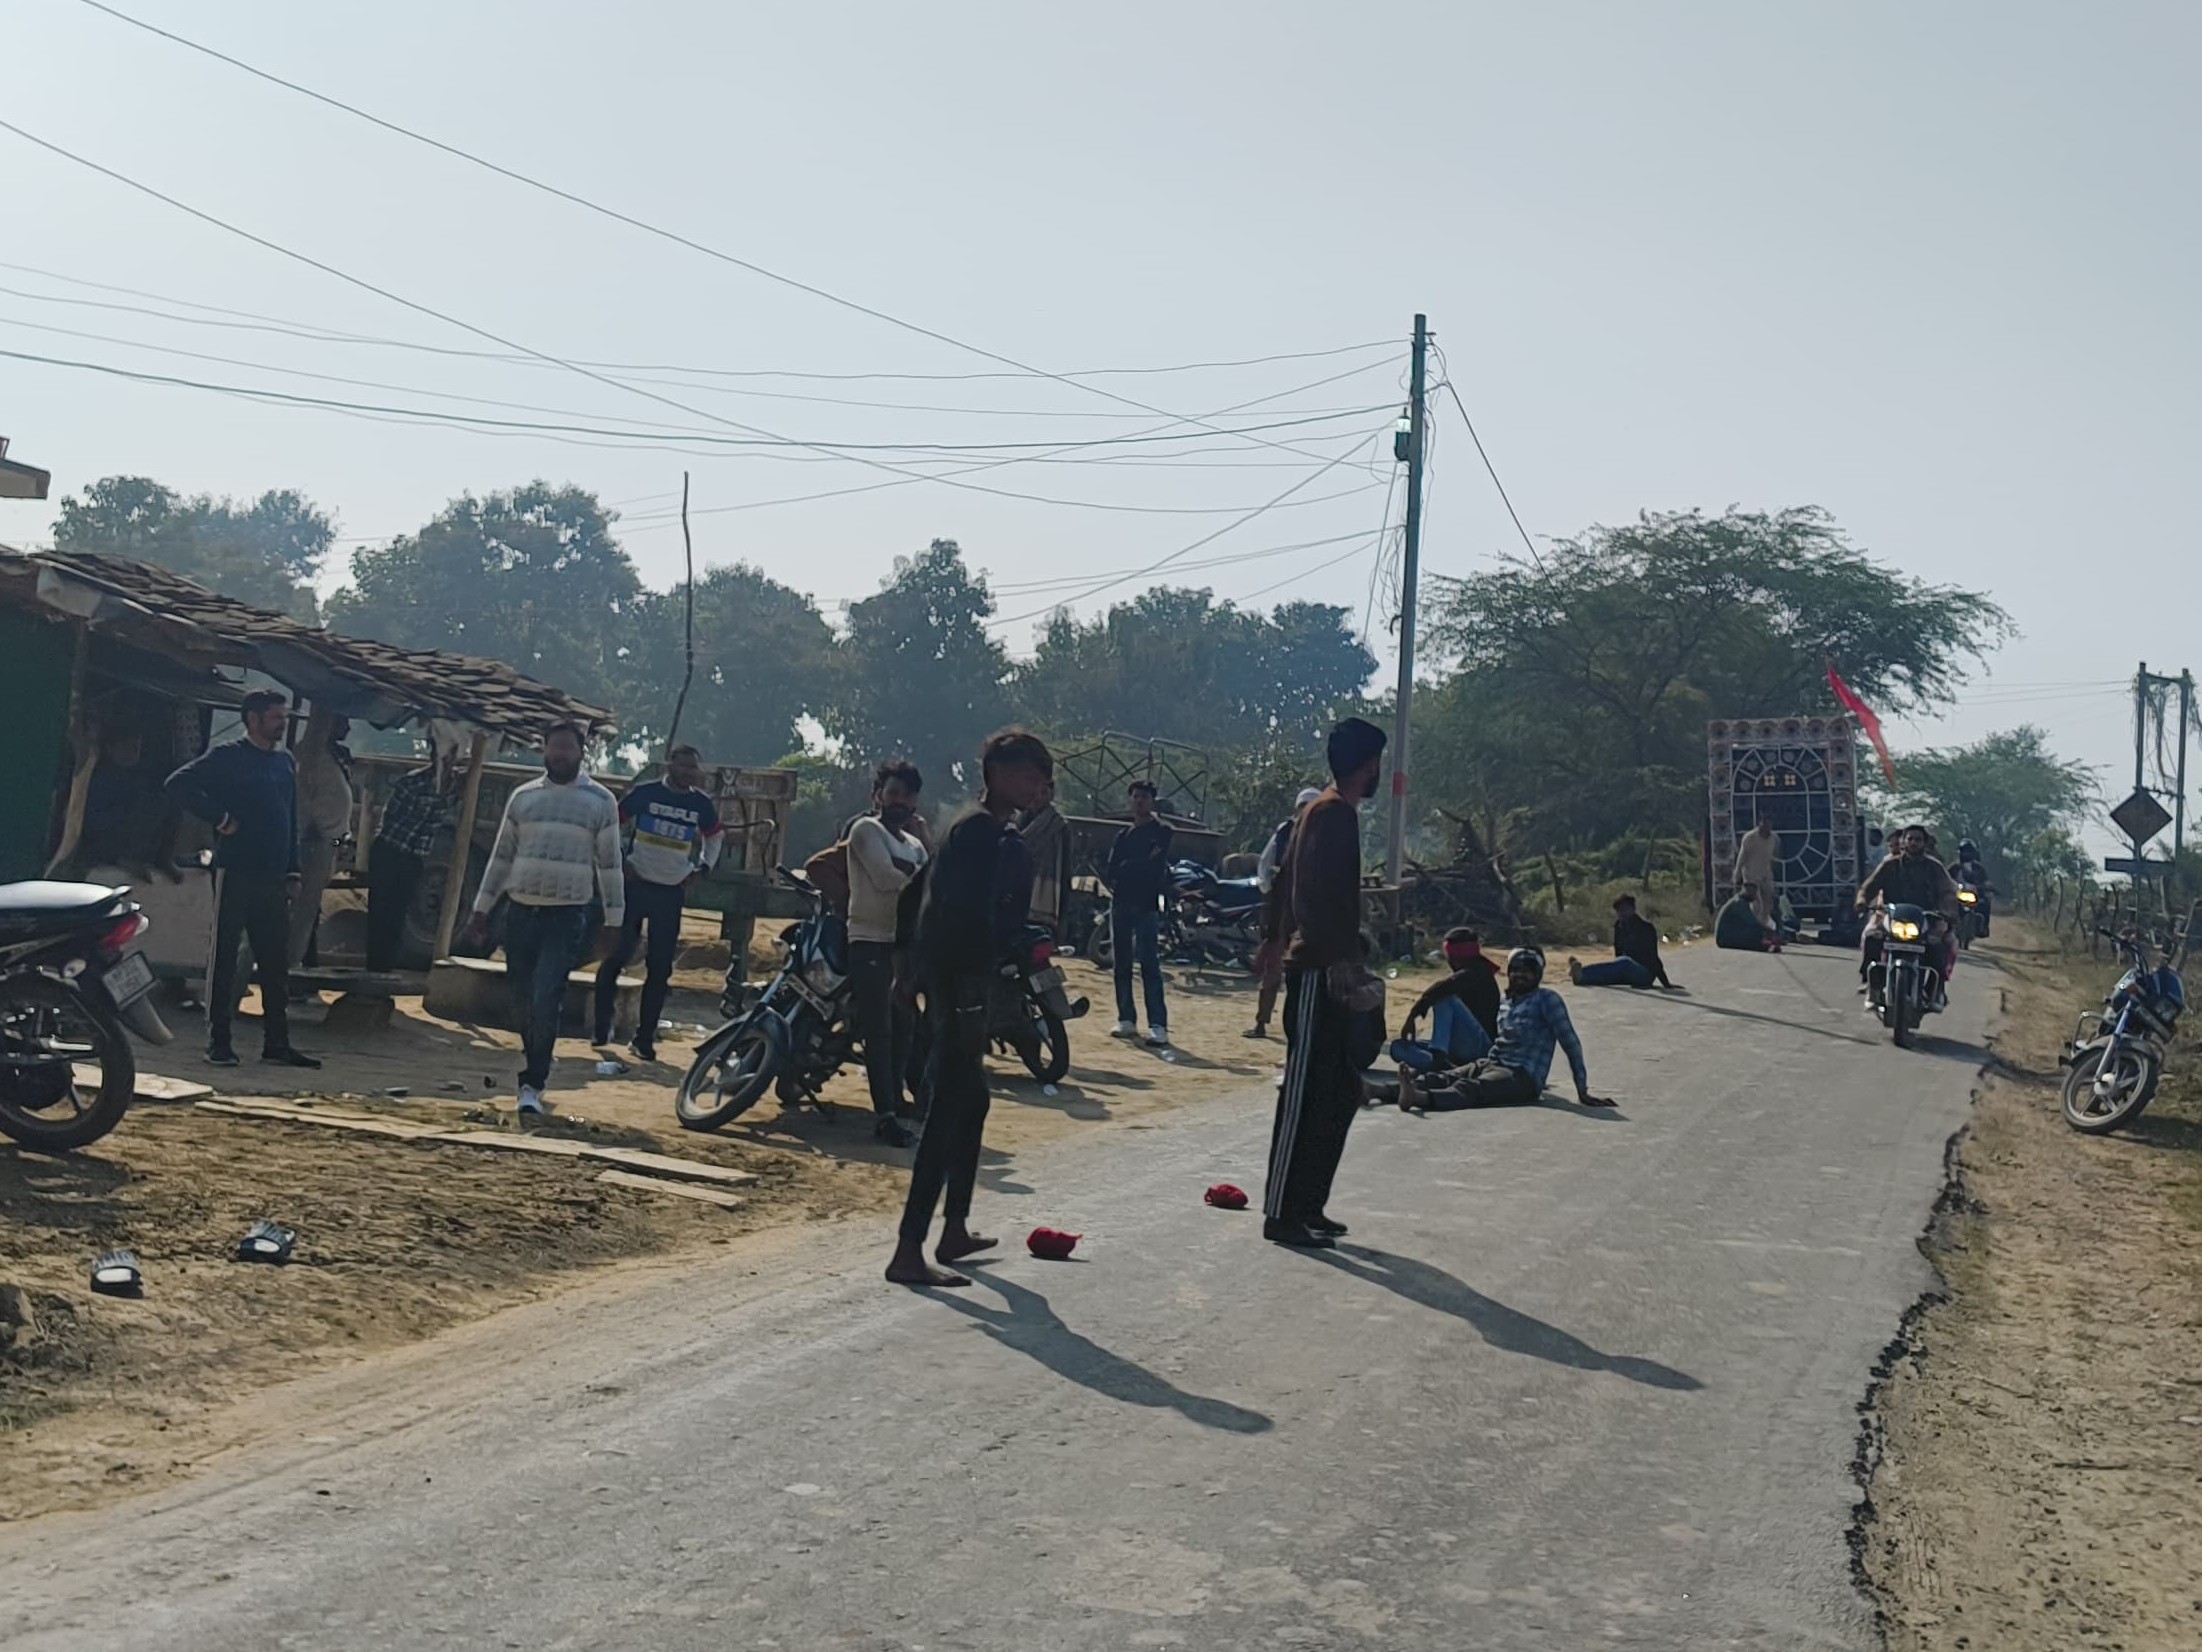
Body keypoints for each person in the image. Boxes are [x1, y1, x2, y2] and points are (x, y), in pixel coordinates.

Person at [886, 728, 1052, 1288]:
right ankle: (909, 1249)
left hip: (949, 977)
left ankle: (954, 1228)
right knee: (946, 1112)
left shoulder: (970, 826)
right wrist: (964, 979)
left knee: (973, 1100)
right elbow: (960, 914)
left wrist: (908, 969)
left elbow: (916, 897)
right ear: (1000, 775)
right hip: (961, 982)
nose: (1037, 787)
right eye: (1028, 775)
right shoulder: (983, 835)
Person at [1256, 717, 1387, 1249]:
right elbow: (1306, 893)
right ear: (1366, 764)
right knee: (1305, 1092)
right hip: (1316, 973)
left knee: (1337, 1092)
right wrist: (1332, 957)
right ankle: (1281, 1212)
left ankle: (1310, 1204)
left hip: (1331, 965)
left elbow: (1286, 879)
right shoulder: (1330, 814)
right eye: (1377, 761)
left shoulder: (1334, 813)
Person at [461, 723, 623, 1118]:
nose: (561, 754)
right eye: (555, 748)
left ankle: (531, 1083)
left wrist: (614, 920)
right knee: (521, 998)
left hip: (567, 915)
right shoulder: (524, 798)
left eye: (568, 748)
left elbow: (610, 865)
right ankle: (539, 1054)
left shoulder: (600, 801)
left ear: (582, 752)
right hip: (520, 912)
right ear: (544, 752)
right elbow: (501, 857)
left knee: (546, 996)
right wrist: (481, 909)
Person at [165, 688, 319, 1070]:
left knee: (274, 962)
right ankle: (218, 1042)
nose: (282, 724)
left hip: (273, 877)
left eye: (284, 717)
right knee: (227, 958)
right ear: (254, 719)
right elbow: (178, 784)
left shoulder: (284, 762)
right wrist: (220, 819)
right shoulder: (228, 757)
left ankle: (277, 1043)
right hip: (236, 871)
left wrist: (293, 869)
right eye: (276, 717)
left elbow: (291, 816)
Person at [593, 743, 723, 1065]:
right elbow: (613, 822)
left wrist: (702, 869)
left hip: (670, 892)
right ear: (669, 766)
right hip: (637, 885)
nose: (689, 773)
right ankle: (600, 1026)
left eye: (694, 768)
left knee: (660, 968)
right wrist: (621, 860)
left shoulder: (700, 804)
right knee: (617, 954)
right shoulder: (645, 793)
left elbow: (715, 835)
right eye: (684, 766)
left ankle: (644, 1038)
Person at [1403, 947, 1613, 1111]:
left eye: (1527, 971)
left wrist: (1582, 1090)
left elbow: (1570, 1043)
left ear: (1538, 974)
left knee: (1472, 1088)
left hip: (1522, 1076)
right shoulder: (1507, 1000)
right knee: (1441, 1078)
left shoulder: (1547, 1000)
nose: (1520, 975)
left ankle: (1421, 1098)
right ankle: (1380, 1090)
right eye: (1515, 970)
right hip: (1491, 1062)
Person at [846, 759, 929, 1147]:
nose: (900, 801)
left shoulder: (914, 845)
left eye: (907, 795)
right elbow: (884, 879)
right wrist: (915, 883)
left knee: (905, 1030)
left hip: (903, 946)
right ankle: (885, 1116)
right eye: (893, 792)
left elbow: (927, 891)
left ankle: (898, 1099)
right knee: (879, 1031)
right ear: (878, 795)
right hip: (868, 940)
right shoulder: (865, 830)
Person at [1244, 786, 1323, 1039]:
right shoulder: (1284, 833)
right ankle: (1261, 1022)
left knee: (1303, 974)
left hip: (1307, 915)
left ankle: (1302, 1025)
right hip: (1282, 913)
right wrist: (1272, 894)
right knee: (1272, 970)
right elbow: (1265, 867)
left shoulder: (1324, 836)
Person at [365, 755, 456, 973]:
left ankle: (385, 968)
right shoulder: (413, 782)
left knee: (398, 914)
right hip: (391, 850)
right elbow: (393, 819)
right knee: (381, 914)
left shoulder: (453, 785)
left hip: (414, 857)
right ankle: (374, 969)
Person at [1854, 824, 1962, 1001]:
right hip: (1892, 917)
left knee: (1941, 945)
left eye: (1917, 839)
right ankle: (1871, 981)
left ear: (1924, 843)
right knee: (1872, 937)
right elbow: (1869, 887)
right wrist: (1862, 901)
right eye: (1909, 839)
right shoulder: (1889, 865)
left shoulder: (1935, 867)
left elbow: (1947, 892)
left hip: (1927, 918)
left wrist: (1947, 912)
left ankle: (1935, 989)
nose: (1913, 843)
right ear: (1903, 842)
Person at [1105, 779, 1172, 1047]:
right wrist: (1132, 866)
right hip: (1120, 903)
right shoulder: (1123, 835)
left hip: (1146, 905)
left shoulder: (1163, 832)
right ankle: (1126, 1019)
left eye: (1143, 797)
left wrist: (1129, 867)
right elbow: (1112, 868)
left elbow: (1152, 864)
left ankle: (1158, 1024)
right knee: (1121, 962)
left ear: (1152, 800)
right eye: (1135, 797)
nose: (1139, 801)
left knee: (1149, 964)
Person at [288, 709, 354, 967]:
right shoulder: (309, 756)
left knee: (310, 910)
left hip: (328, 842)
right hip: (313, 843)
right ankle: (289, 970)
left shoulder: (333, 755)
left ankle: (302, 965)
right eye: (343, 721)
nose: (347, 728)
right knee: (302, 911)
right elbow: (302, 802)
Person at [1391, 927, 1501, 1075]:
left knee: (1444, 999)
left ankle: (1438, 1059)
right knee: (1397, 1048)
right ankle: (1447, 1067)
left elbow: (1439, 989)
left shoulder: (1477, 973)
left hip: (1479, 1046)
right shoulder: (1468, 973)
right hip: (1456, 1049)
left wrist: (1413, 1015)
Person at [82, 725, 171, 873]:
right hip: (102, 843)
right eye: (126, 747)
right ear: (110, 749)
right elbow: (91, 821)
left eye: (136, 747)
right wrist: (125, 813)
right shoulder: (101, 780)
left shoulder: (139, 778)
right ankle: (124, 858)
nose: (132, 753)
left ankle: (164, 858)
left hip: (135, 841)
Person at [1568, 894, 1677, 989]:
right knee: (1609, 975)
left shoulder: (1645, 928)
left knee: (1624, 962)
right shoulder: (1619, 926)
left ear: (1633, 909)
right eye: (1619, 911)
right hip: (1625, 970)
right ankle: (1580, 977)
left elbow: (1653, 957)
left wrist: (1666, 983)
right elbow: (1618, 952)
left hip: (1645, 974)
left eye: (1625, 909)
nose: (1622, 913)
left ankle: (1582, 972)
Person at [1019, 777, 1066, 935]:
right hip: (1017, 888)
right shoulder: (1018, 820)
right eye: (1035, 792)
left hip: (1045, 894)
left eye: (1044, 792)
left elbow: (1065, 868)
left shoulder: (1059, 825)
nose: (1038, 797)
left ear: (1051, 796)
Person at [1733, 816, 1782, 950]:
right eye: (1765, 825)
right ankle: (1756, 931)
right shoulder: (1750, 838)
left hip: (1765, 874)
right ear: (1760, 824)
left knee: (1768, 904)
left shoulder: (1773, 839)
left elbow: (1771, 857)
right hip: (1751, 875)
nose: (1767, 828)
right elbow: (1741, 857)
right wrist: (1737, 875)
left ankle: (1766, 930)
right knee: (1757, 905)